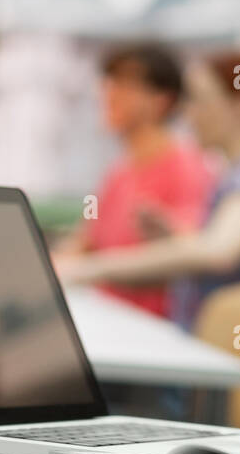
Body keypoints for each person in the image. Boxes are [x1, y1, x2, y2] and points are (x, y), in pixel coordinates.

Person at [55, 50, 240, 330]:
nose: (188, 114)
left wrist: (93, 268)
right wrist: (172, 236)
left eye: (199, 101)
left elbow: (220, 251)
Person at [55, 42, 213, 318]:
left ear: (161, 100)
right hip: (103, 316)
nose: (110, 94)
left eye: (126, 84)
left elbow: (194, 250)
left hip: (151, 332)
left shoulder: (187, 167)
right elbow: (85, 243)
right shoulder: (119, 173)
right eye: (109, 82)